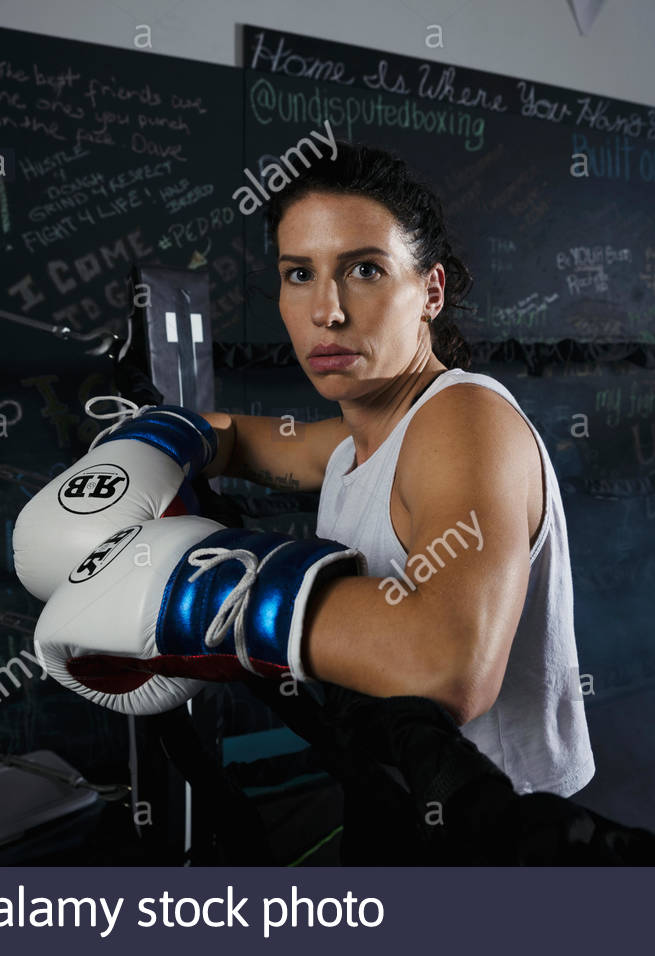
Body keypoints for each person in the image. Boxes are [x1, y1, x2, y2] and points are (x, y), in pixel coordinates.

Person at [198, 141, 595, 802]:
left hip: (497, 830)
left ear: (430, 291)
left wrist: (206, 596)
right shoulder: (356, 439)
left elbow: (446, 667)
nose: (327, 310)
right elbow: (236, 439)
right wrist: (144, 444)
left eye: (364, 270)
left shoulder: (464, 419)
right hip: (396, 791)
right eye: (299, 274)